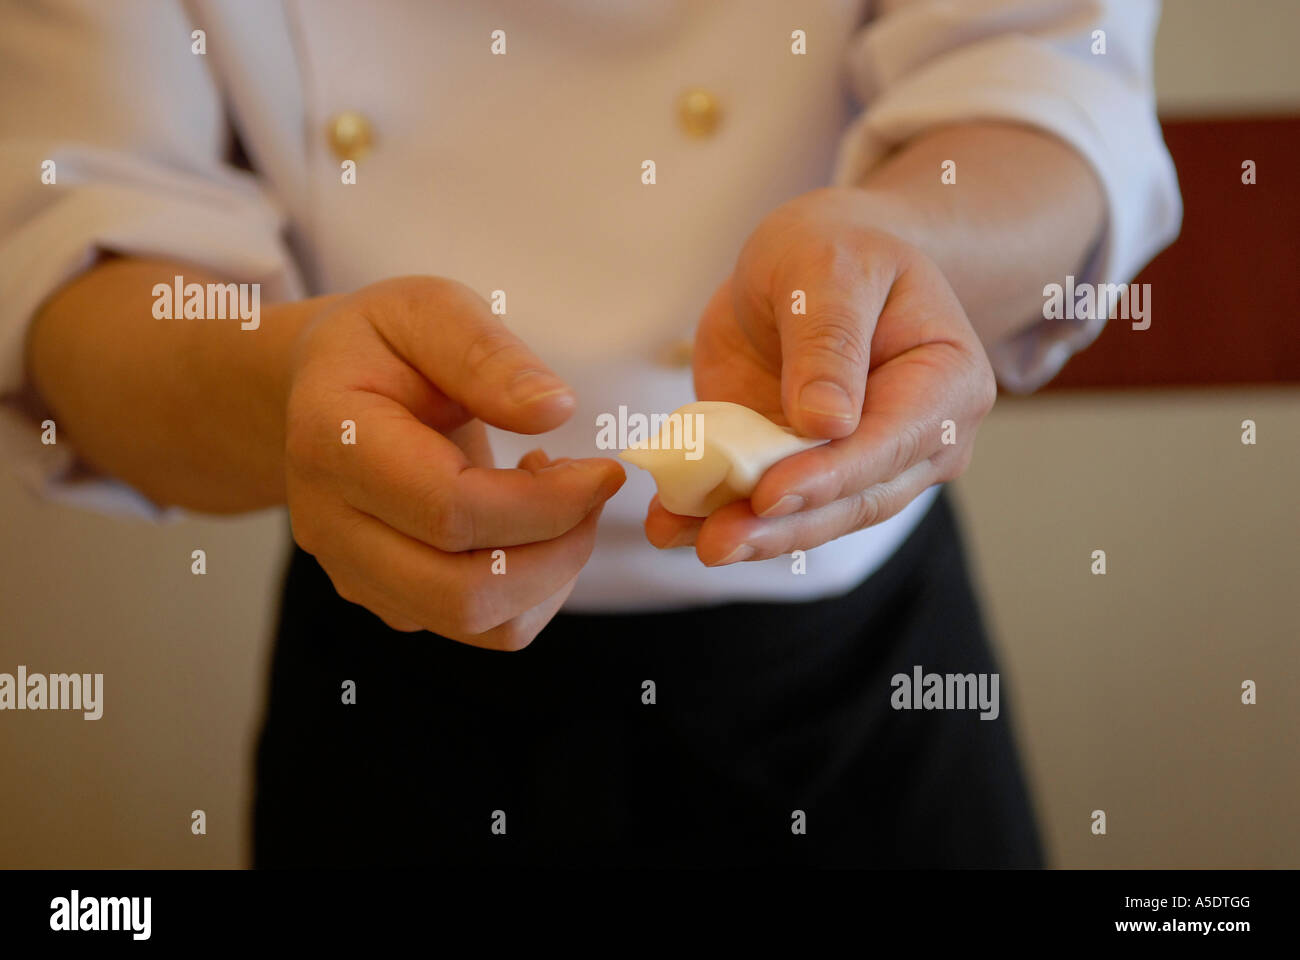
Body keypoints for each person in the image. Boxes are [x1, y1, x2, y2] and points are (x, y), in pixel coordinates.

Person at [0, 0, 1180, 866]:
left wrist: (902, 238)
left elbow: (1042, 72)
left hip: (852, 675)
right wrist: (283, 384)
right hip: (393, 673)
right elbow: (76, 221)